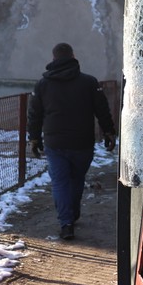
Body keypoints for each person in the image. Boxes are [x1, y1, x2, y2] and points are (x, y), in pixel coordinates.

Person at [28, 43, 116, 240]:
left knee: (59, 182)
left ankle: (66, 222)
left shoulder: (42, 85)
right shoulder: (89, 82)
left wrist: (34, 138)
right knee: (76, 179)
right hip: (82, 141)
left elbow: (34, 114)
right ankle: (72, 213)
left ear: (53, 59)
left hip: (55, 142)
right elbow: (102, 110)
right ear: (73, 56)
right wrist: (109, 132)